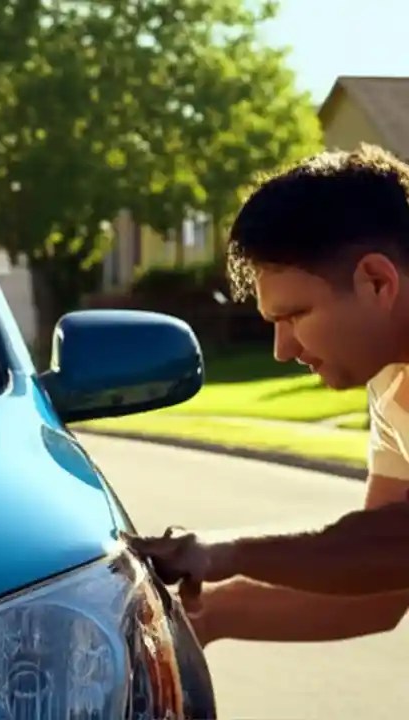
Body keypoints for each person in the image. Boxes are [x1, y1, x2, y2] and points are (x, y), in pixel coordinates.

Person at [124, 142, 409, 647]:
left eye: (295, 316)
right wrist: (200, 618)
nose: (282, 350)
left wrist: (225, 552)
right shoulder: (392, 384)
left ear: (376, 282)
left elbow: (397, 549)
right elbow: (379, 585)